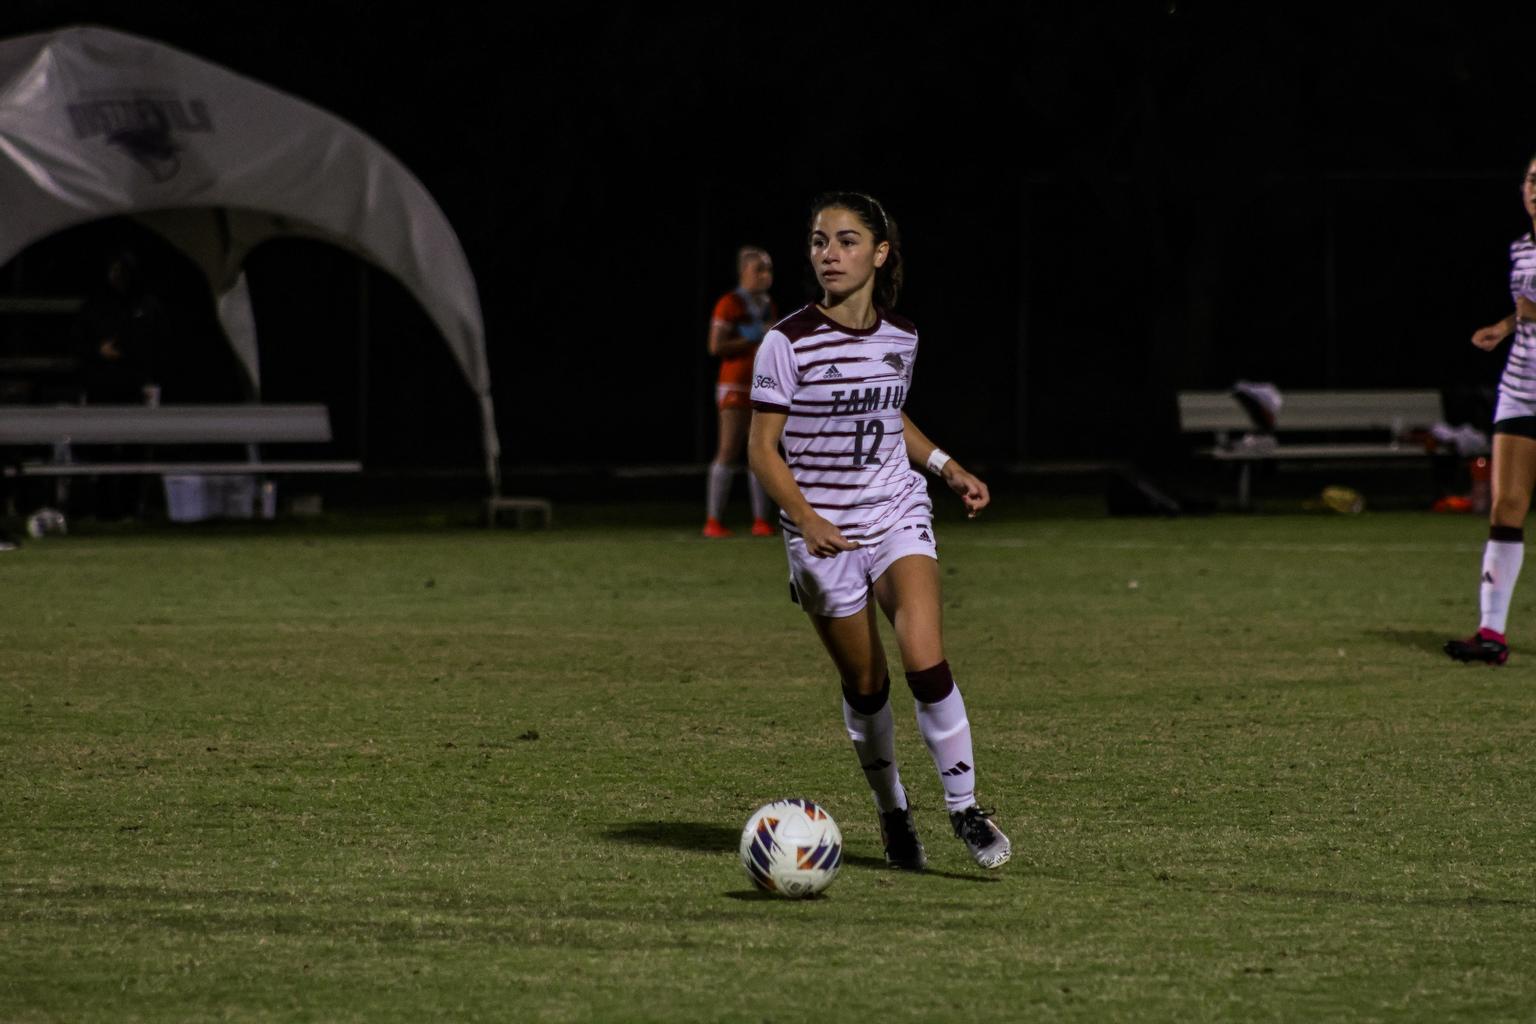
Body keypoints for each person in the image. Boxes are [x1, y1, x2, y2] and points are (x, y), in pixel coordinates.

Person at [747, 192, 1010, 870]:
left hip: (895, 510)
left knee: (924, 657)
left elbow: (890, 417)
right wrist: (808, 520)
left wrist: (948, 468)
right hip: (821, 532)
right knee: (868, 687)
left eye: (845, 240)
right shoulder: (787, 342)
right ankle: (894, 813)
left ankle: (966, 811)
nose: (828, 254)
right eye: (817, 241)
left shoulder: (902, 337)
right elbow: (761, 450)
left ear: (880, 252)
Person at [1446, 153, 1536, 665]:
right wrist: (1505, 327)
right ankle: (1492, 635)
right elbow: (1525, 307)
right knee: (1506, 507)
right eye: (1530, 179)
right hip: (1521, 389)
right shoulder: (1520, 249)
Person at [704, 246, 777, 538]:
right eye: (758, 270)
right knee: (728, 450)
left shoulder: (768, 304)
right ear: (743, 272)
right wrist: (754, 336)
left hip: (760, 385)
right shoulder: (730, 302)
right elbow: (715, 346)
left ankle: (760, 520)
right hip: (734, 385)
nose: (765, 276)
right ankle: (713, 520)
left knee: (759, 451)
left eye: (768, 270)